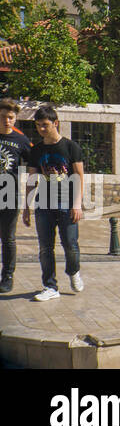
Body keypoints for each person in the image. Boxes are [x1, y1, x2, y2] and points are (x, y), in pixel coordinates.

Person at [22, 105, 84, 302]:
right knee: (45, 247)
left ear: (55, 123)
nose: (41, 129)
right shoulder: (37, 150)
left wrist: (77, 204)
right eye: (38, 125)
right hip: (44, 205)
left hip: (67, 203)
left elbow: (79, 177)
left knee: (70, 245)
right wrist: (26, 206)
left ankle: (73, 271)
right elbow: (31, 179)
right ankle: (50, 286)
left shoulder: (70, 147)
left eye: (45, 125)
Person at [0, 98, 32, 294]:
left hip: (9, 196)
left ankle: (7, 276)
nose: (7, 121)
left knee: (8, 239)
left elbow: (34, 163)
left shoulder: (21, 140)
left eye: (11, 117)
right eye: (3, 116)